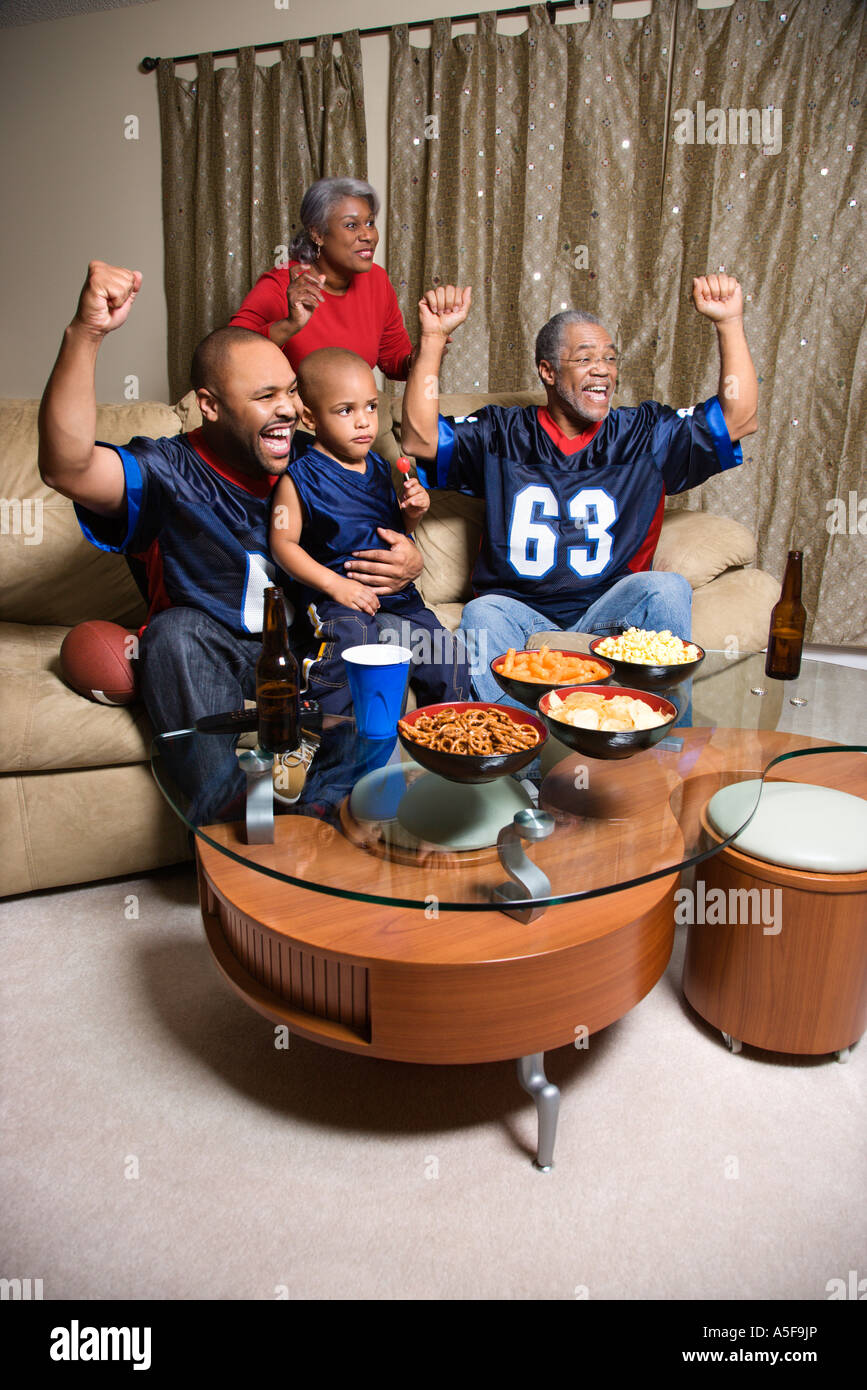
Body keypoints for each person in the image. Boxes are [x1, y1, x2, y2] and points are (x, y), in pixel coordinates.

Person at [37, 261, 424, 819]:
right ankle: (233, 821)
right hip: (221, 654)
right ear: (211, 405)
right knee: (175, 634)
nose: (289, 409)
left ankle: (325, 812)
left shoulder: (320, 460)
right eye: (266, 396)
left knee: (382, 633)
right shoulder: (172, 467)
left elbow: (383, 532)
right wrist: (87, 333)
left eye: (290, 392)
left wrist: (409, 556)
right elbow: (68, 467)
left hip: (312, 647)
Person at [398, 275, 759, 714]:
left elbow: (737, 421)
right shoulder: (502, 432)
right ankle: (523, 756)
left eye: (610, 358)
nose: (603, 369)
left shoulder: (644, 432)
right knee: (482, 613)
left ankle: (656, 743)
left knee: (666, 588)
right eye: (585, 358)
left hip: (608, 610)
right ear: (547, 371)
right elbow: (418, 439)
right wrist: (434, 337)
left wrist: (730, 322)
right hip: (518, 610)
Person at [269, 347, 471, 715]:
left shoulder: (378, 467)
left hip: (400, 598)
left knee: (447, 653)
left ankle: (444, 740)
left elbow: (392, 533)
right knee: (353, 639)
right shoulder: (299, 476)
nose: (364, 421)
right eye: (346, 410)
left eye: (371, 407)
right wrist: (336, 586)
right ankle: (329, 737)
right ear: (310, 417)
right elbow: (282, 544)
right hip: (338, 598)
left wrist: (411, 515)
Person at [230, 177, 414, 381]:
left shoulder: (377, 280)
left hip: (352, 410)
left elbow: (396, 361)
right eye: (352, 226)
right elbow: (229, 357)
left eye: (370, 223)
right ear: (318, 234)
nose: (368, 235)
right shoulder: (282, 284)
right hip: (293, 411)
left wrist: (431, 345)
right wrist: (290, 324)